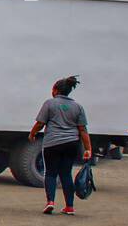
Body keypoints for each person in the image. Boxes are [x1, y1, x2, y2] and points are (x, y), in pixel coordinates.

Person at [29, 75, 92, 215]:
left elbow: (40, 123)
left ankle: (50, 202)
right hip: (71, 144)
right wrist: (88, 148)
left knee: (50, 173)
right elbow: (82, 129)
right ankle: (69, 207)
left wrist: (32, 133)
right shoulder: (78, 107)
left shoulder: (49, 103)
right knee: (66, 174)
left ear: (55, 90)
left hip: (52, 143)